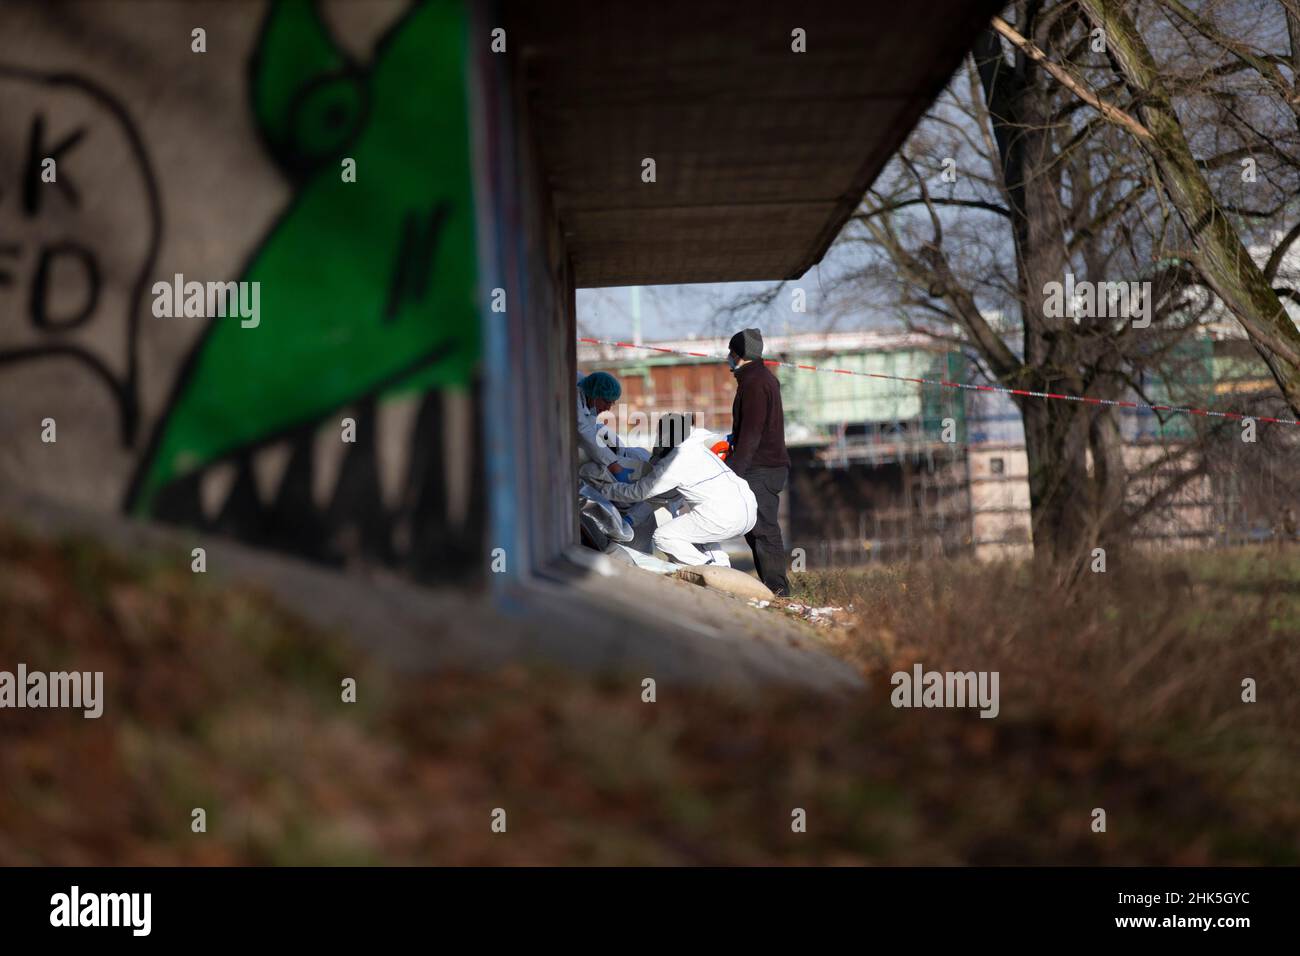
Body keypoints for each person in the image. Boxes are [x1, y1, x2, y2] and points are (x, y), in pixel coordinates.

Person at [603, 413, 756, 567]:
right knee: (694, 533)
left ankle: (707, 568)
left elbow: (639, 492)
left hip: (723, 515)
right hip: (746, 507)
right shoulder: (695, 444)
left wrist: (606, 490)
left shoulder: (673, 462)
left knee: (664, 537)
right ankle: (722, 566)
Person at [725, 327, 790, 595]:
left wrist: (733, 472)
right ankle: (772, 587)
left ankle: (778, 591)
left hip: (761, 468)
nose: (727, 357)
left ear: (738, 354)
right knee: (756, 528)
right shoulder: (762, 378)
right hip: (766, 465)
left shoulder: (753, 383)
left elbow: (752, 432)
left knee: (763, 529)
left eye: (730, 352)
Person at [576, 371, 635, 483]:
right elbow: (585, 432)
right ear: (594, 395)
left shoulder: (589, 386)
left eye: (611, 403)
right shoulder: (574, 402)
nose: (608, 408)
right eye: (606, 402)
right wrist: (613, 465)